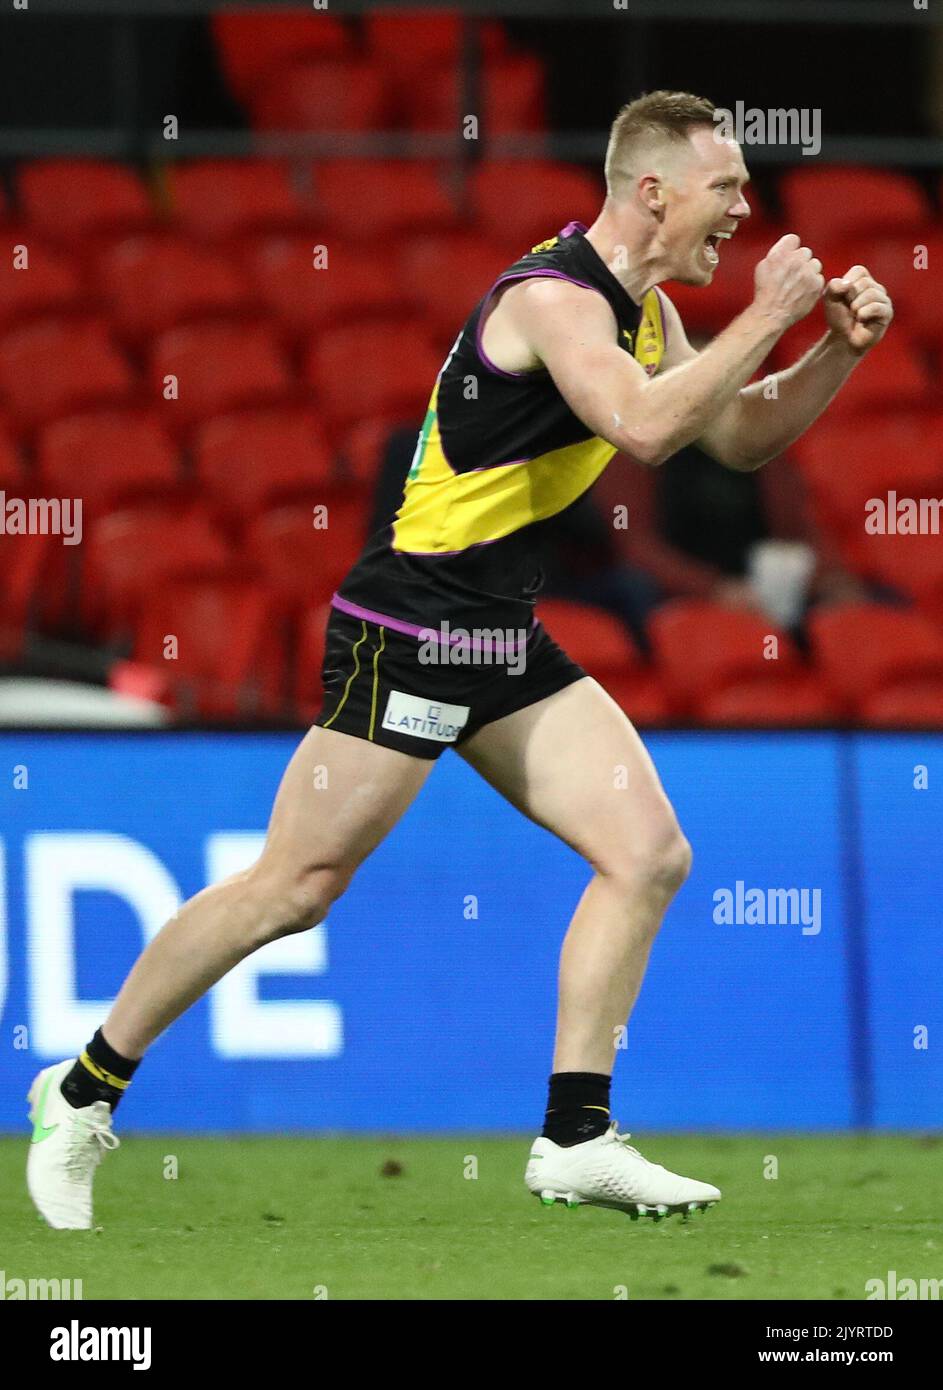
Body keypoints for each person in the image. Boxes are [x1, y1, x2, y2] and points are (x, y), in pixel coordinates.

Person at [27, 89, 893, 1229]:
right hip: (411, 622)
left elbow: (727, 435)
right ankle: (81, 1092)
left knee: (648, 853)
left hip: (498, 630)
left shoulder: (640, 310)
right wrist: (766, 314)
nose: (741, 207)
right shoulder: (553, 300)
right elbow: (640, 426)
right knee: (294, 888)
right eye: (724, 187)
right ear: (651, 192)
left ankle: (575, 1134)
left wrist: (830, 350)